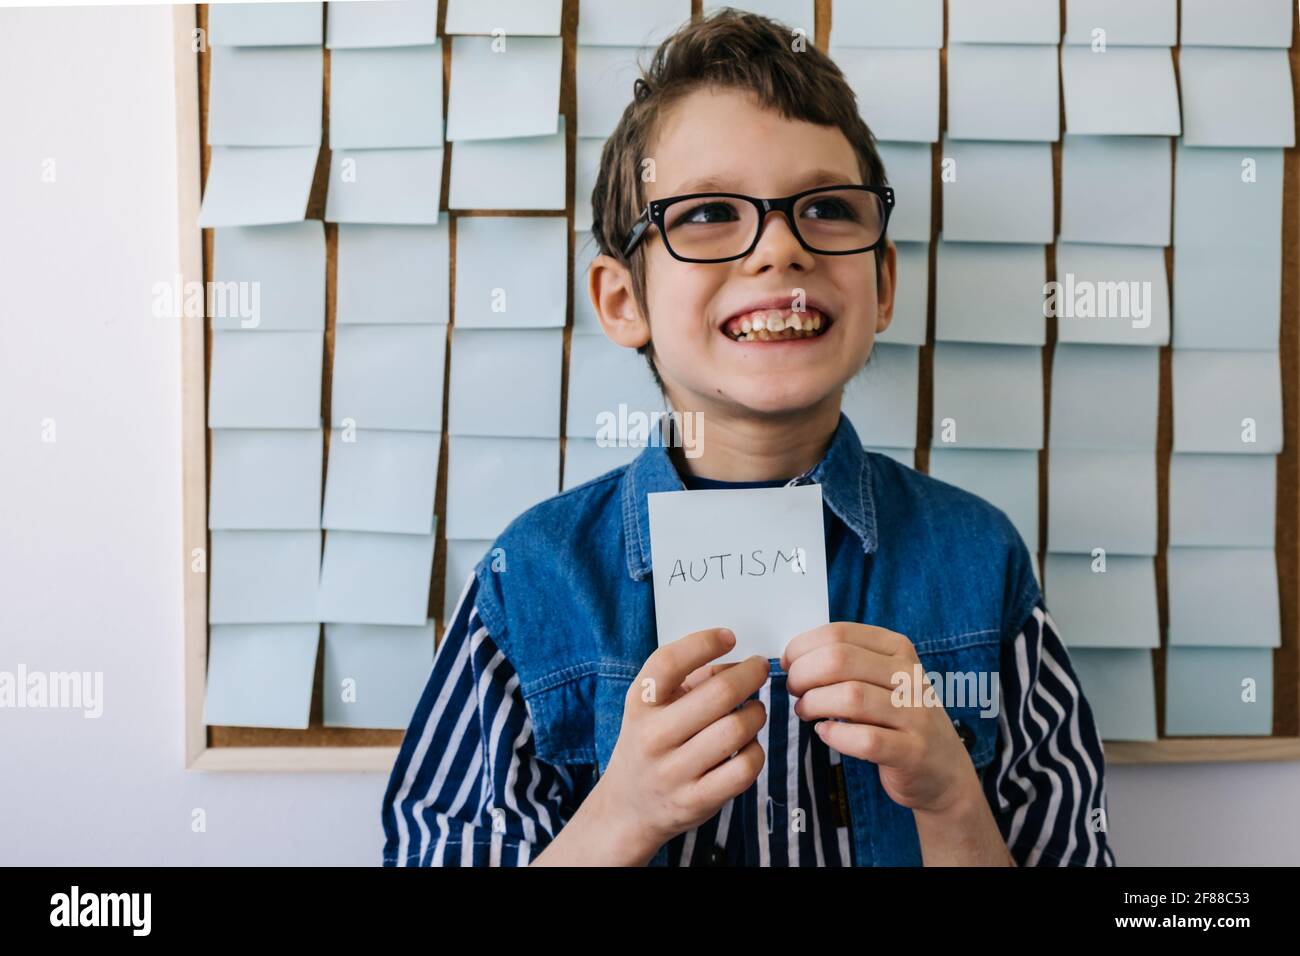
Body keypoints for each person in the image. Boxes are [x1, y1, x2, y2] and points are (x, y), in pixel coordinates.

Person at [382, 9, 1114, 867]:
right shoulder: (531, 581)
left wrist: (949, 795)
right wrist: (621, 816)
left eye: (828, 209)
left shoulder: (979, 561)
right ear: (624, 301)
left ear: (881, 285)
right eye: (708, 214)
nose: (778, 249)